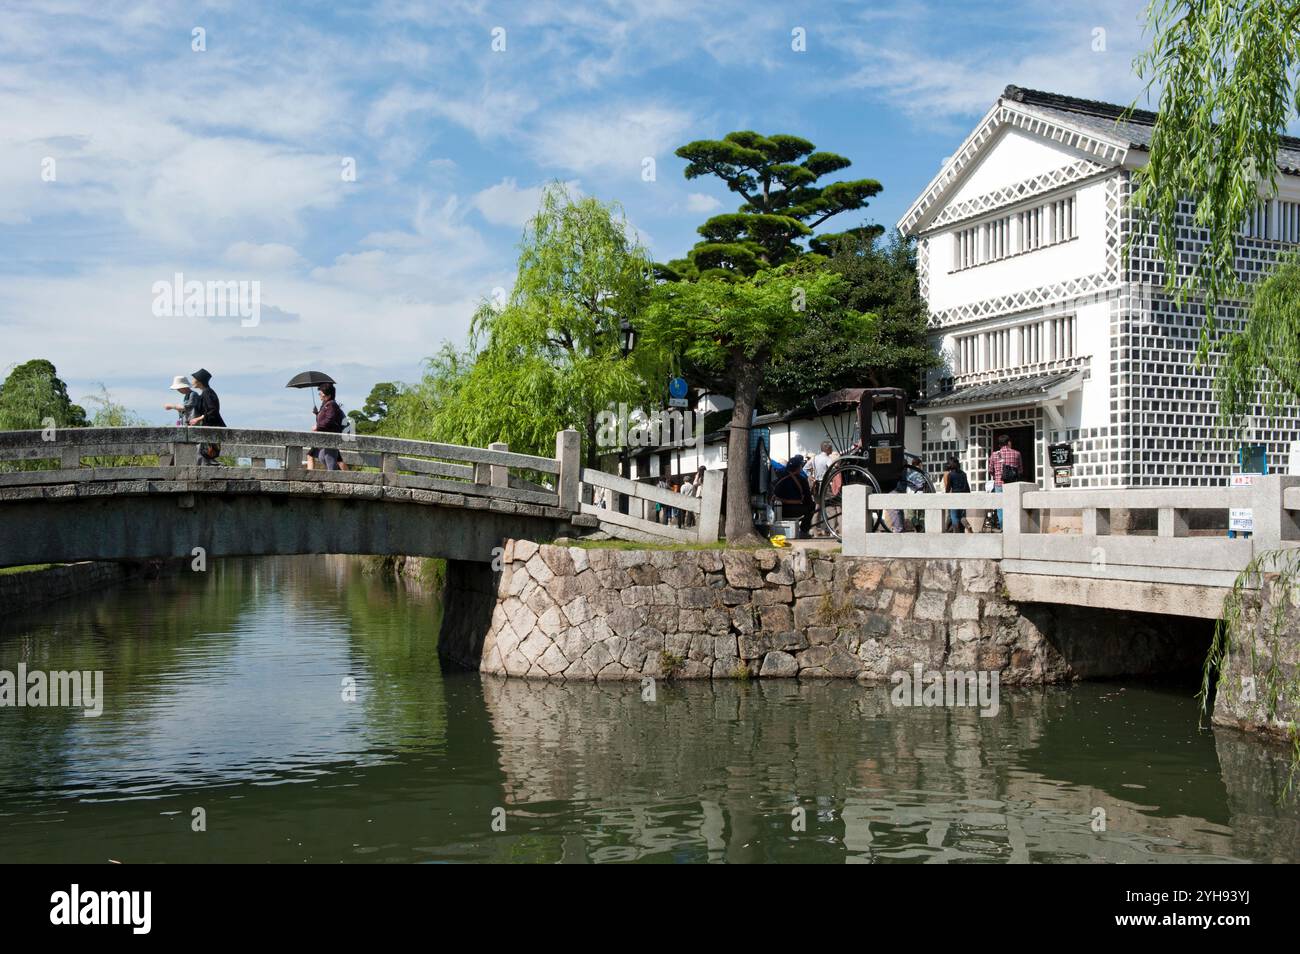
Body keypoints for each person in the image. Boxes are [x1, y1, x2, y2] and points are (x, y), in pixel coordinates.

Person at [188, 368, 226, 465]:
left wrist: (199, 418)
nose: (192, 381)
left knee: (209, 453)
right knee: (205, 453)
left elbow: (213, 410)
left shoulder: (207, 392)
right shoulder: (205, 392)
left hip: (213, 426)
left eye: (194, 379)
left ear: (199, 381)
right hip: (209, 427)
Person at [988, 434, 1024, 531]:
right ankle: (1013, 527)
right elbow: (1020, 470)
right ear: (1008, 442)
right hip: (1012, 485)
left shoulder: (994, 455)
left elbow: (990, 470)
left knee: (1000, 507)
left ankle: (1004, 527)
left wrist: (997, 475)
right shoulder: (1017, 453)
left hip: (999, 483)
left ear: (999, 444)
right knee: (1013, 505)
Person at [773, 454, 814, 537]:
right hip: (793, 510)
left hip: (776, 509)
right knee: (811, 506)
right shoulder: (802, 480)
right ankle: (804, 531)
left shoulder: (777, 476)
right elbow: (808, 500)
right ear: (798, 468)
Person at [307, 384, 346, 470]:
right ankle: (338, 476)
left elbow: (329, 420)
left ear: (328, 395)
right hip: (326, 437)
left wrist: (317, 426)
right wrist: (317, 413)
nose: (320, 395)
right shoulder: (327, 404)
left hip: (331, 437)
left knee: (329, 459)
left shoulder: (331, 405)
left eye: (321, 394)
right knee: (322, 457)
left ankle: (335, 479)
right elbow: (326, 419)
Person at [942, 455, 973, 533]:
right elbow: (967, 488)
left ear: (951, 465)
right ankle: (967, 527)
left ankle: (956, 533)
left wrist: (946, 496)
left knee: (954, 517)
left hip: (955, 498)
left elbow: (948, 489)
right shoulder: (964, 474)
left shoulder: (951, 475)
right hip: (963, 497)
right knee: (962, 516)